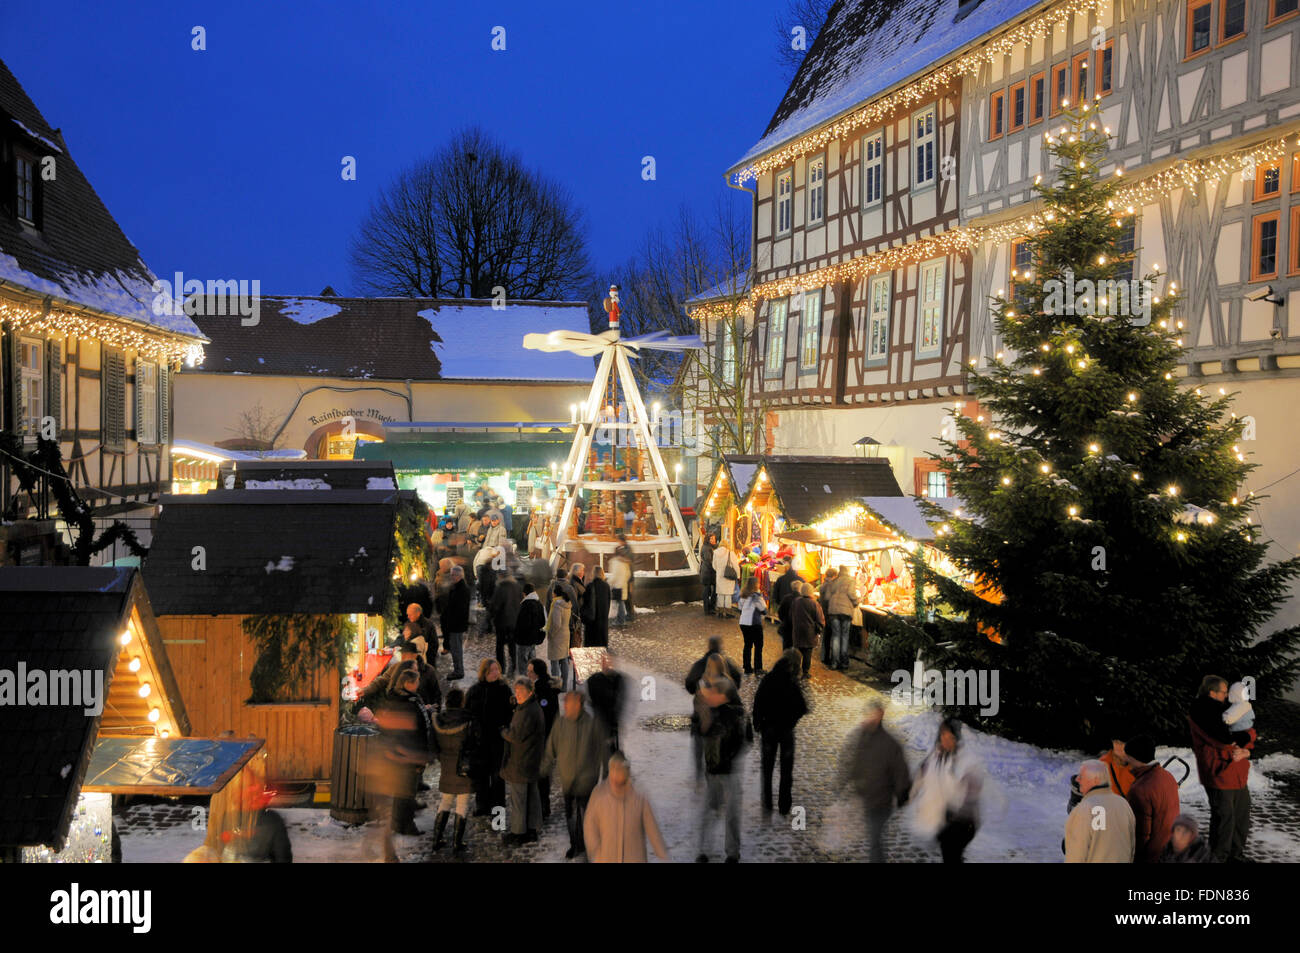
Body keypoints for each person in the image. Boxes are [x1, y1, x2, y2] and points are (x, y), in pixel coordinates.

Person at [361, 665, 432, 859]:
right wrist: (417, 754)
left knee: (404, 792)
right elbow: (410, 733)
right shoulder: (406, 703)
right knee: (405, 792)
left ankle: (396, 831)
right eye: (416, 681)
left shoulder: (398, 700)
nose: (419, 684)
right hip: (403, 757)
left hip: (399, 757)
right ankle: (403, 826)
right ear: (409, 683)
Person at [1189, 674, 1254, 862]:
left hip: (1236, 773)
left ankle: (1235, 854)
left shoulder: (1225, 710)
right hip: (1219, 772)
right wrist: (1245, 740)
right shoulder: (1203, 712)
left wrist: (1247, 744)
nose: (1227, 697)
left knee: (1241, 814)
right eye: (1224, 693)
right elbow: (1224, 740)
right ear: (1212, 692)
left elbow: (1250, 730)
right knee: (1224, 818)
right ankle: (1218, 857)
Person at [838, 697, 910, 863]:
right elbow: (851, 761)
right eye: (869, 714)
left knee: (875, 842)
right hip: (867, 797)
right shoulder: (861, 737)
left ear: (881, 716)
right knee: (875, 841)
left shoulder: (889, 744)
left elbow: (901, 771)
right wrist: (843, 783)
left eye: (875, 715)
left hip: (880, 802)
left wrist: (902, 793)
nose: (871, 718)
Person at [542, 689, 608, 858]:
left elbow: (602, 750)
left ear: (579, 704)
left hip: (587, 780)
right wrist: (543, 768)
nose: (566, 706)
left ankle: (585, 843)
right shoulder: (561, 723)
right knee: (571, 816)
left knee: (585, 815)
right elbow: (551, 747)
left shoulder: (592, 724)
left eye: (569, 703)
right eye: (565, 703)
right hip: (568, 780)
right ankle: (575, 844)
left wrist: (607, 774)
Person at [910, 718, 984, 863]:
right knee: (950, 853)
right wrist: (909, 794)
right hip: (945, 820)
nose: (946, 740)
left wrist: (957, 810)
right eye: (943, 736)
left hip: (964, 822)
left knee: (951, 853)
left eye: (950, 737)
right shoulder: (935, 756)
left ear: (957, 738)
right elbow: (921, 774)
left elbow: (973, 789)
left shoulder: (964, 761)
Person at [696, 675, 749, 863]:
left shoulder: (735, 715)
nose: (709, 695)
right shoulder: (709, 712)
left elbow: (743, 742)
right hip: (713, 772)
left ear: (722, 696)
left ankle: (732, 853)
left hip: (728, 773)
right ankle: (704, 850)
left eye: (713, 693)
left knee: (731, 815)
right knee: (710, 811)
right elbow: (699, 733)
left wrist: (726, 759)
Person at [584, 752, 671, 863]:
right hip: (607, 856)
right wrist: (596, 850)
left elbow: (651, 826)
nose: (615, 779)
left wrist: (662, 853)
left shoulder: (639, 796)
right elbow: (589, 824)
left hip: (634, 856)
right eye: (613, 772)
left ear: (627, 774)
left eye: (620, 772)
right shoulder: (599, 794)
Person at [751, 648, 807, 816]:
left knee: (767, 768)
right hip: (786, 731)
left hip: (768, 730)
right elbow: (801, 707)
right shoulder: (791, 681)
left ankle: (767, 803)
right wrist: (791, 721)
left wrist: (758, 724)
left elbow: (758, 703)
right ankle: (784, 805)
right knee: (786, 770)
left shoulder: (769, 678)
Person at [685, 637, 744, 782]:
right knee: (721, 752)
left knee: (703, 748)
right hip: (724, 723)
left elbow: (689, 685)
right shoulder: (728, 664)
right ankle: (718, 777)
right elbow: (737, 681)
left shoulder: (700, 665)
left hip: (705, 720)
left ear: (709, 646)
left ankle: (703, 774)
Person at [501, 676, 546, 846]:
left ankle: (518, 833)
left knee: (519, 798)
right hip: (531, 758)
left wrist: (503, 732)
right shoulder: (531, 707)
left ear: (530, 692)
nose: (518, 694)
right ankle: (533, 829)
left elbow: (516, 735)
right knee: (531, 795)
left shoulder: (526, 711)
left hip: (522, 760)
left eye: (521, 691)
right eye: (516, 691)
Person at [466, 658, 513, 816]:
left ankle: (498, 813)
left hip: (498, 740)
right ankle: (482, 806)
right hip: (480, 741)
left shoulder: (504, 689)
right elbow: (468, 713)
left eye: (497, 670)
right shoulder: (475, 691)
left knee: (498, 777)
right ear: (484, 672)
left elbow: (510, 713)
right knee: (482, 775)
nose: (495, 673)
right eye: (492, 670)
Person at [1065, 759, 1137, 862]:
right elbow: (1132, 845)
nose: (1079, 780)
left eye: (1082, 777)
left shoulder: (1085, 809)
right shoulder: (1123, 804)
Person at [430, 688, 474, 855]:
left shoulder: (438, 720)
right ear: (461, 702)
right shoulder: (468, 721)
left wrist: (442, 758)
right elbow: (473, 744)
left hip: (446, 765)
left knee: (445, 801)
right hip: (463, 767)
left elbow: (433, 745)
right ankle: (457, 842)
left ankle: (436, 839)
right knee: (462, 804)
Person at [1125, 733, 1180, 864]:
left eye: (1129, 757)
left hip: (1151, 856)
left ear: (1136, 757)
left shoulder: (1139, 790)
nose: (1127, 761)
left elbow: (1140, 835)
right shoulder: (1168, 776)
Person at [359, 639, 442, 714]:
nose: (403, 657)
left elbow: (436, 695)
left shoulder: (428, 671)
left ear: (415, 655)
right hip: (398, 712)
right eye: (402, 654)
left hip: (420, 713)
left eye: (406, 655)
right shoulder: (396, 667)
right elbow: (382, 680)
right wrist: (366, 690)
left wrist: (433, 711)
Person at [528, 657, 562, 820]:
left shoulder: (541, 689)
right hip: (547, 735)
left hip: (543, 737)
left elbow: (544, 713)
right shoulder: (546, 685)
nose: (528, 674)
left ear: (536, 673)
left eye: (530, 671)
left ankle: (543, 806)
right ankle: (542, 805)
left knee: (541, 773)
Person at [585, 652, 627, 754]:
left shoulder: (618, 679)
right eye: (605, 660)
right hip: (598, 722)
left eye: (609, 660)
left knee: (610, 754)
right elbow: (590, 700)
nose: (607, 663)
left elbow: (620, 703)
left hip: (610, 724)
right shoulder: (593, 680)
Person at [435, 565, 471, 680]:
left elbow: (458, 608)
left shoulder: (461, 589)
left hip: (456, 624)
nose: (452, 577)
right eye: (451, 575)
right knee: (456, 648)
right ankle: (458, 669)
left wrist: (449, 619)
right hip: (455, 624)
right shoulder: (458, 587)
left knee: (456, 649)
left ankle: (458, 671)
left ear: (459, 575)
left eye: (453, 575)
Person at [823, 565, 859, 670]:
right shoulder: (850, 580)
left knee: (835, 636)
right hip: (845, 612)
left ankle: (834, 662)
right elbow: (851, 593)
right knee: (844, 636)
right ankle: (843, 662)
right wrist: (856, 602)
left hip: (833, 611)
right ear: (847, 571)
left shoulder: (834, 581)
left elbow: (827, 597)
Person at [489, 570, 523, 675]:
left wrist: (491, 615)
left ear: (500, 576)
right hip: (514, 622)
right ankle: (513, 666)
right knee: (512, 645)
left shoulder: (500, 588)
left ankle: (501, 668)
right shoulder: (517, 587)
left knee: (500, 647)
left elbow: (495, 606)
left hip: (502, 622)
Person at [791, 582, 825, 680]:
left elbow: (791, 614)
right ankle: (805, 672)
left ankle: (796, 670)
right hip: (809, 632)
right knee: (807, 653)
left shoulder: (796, 601)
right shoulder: (814, 604)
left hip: (797, 631)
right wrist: (819, 628)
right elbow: (820, 619)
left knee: (798, 652)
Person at [736, 577, 767, 676]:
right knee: (758, 646)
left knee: (747, 645)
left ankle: (747, 667)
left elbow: (740, 608)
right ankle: (758, 668)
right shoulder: (757, 596)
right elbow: (764, 609)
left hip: (743, 623)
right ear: (756, 585)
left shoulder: (743, 595)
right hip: (754, 624)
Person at [546, 582, 574, 691]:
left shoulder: (557, 605)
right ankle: (564, 687)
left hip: (557, 636)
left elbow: (556, 623)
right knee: (564, 660)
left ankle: (556, 687)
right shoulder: (567, 603)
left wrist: (551, 633)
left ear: (555, 593)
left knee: (555, 662)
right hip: (565, 634)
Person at [514, 582, 547, 675]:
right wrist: (539, 637)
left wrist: (516, 637)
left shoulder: (525, 606)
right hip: (533, 640)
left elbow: (521, 625)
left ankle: (524, 685)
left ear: (524, 593)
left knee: (523, 666)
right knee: (532, 665)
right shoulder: (539, 604)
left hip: (523, 641)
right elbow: (543, 623)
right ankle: (532, 683)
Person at [583, 565, 612, 648]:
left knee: (591, 645)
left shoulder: (590, 586)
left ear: (593, 574)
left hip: (592, 621)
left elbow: (585, 603)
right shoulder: (606, 586)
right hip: (602, 620)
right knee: (601, 646)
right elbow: (608, 602)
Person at [712, 538, 740, 618]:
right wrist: (738, 575)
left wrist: (719, 570)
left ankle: (720, 612)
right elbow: (735, 565)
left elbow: (714, 565)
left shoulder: (715, 553)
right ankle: (728, 612)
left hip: (720, 576)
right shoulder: (730, 553)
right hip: (728, 576)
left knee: (720, 594)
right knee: (728, 594)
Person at [1223, 681, 1255, 746]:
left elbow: (1229, 718)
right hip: (1239, 731)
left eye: (1231, 693)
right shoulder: (1241, 704)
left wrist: (1223, 716)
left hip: (1241, 732)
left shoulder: (1242, 705)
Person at [608, 550, 632, 628]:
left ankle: (620, 620)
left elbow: (614, 575)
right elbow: (628, 574)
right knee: (620, 602)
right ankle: (620, 619)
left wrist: (609, 583)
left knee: (619, 603)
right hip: (623, 585)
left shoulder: (615, 562)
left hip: (617, 586)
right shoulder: (625, 563)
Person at [569, 563, 588, 652]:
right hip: (576, 615)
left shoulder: (578, 581)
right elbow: (574, 601)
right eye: (582, 570)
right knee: (576, 637)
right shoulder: (574, 583)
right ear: (578, 572)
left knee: (577, 636)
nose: (584, 572)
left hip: (579, 613)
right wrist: (576, 615)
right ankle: (574, 655)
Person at [699, 533, 718, 615]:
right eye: (711, 539)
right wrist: (716, 568)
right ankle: (708, 609)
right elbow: (708, 561)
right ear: (708, 539)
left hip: (708, 571)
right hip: (708, 572)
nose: (713, 540)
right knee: (707, 591)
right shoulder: (707, 548)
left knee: (709, 590)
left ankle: (709, 608)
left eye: (714, 538)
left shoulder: (710, 547)